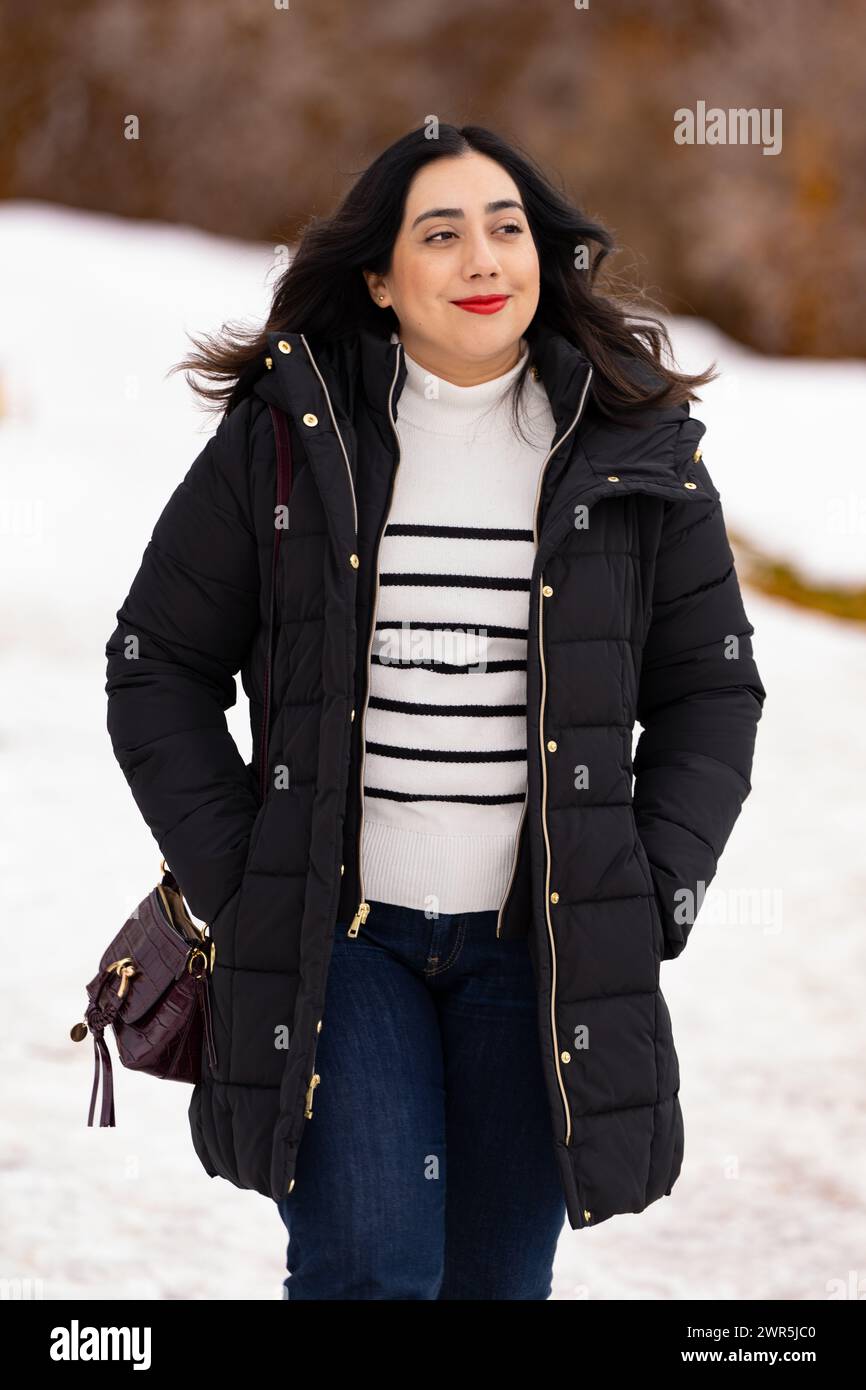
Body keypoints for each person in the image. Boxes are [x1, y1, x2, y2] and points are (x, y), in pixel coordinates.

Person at [105, 123, 766, 1300]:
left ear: (541, 256)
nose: (483, 259)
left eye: (506, 228)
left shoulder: (632, 448)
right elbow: (156, 662)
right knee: (371, 1268)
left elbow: (708, 687)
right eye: (441, 233)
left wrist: (651, 881)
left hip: (539, 949)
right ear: (379, 277)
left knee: (492, 1284)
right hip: (343, 941)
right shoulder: (288, 440)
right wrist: (245, 877)